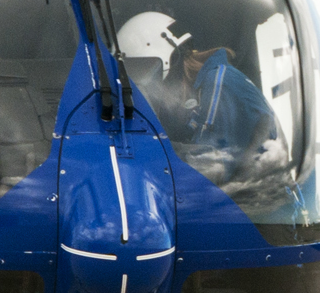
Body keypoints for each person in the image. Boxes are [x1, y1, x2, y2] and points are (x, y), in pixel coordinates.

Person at [117, 11, 283, 183]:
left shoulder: (218, 83)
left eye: (144, 71)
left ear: (171, 60)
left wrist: (151, 151)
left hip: (265, 193)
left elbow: (209, 164)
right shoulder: (210, 82)